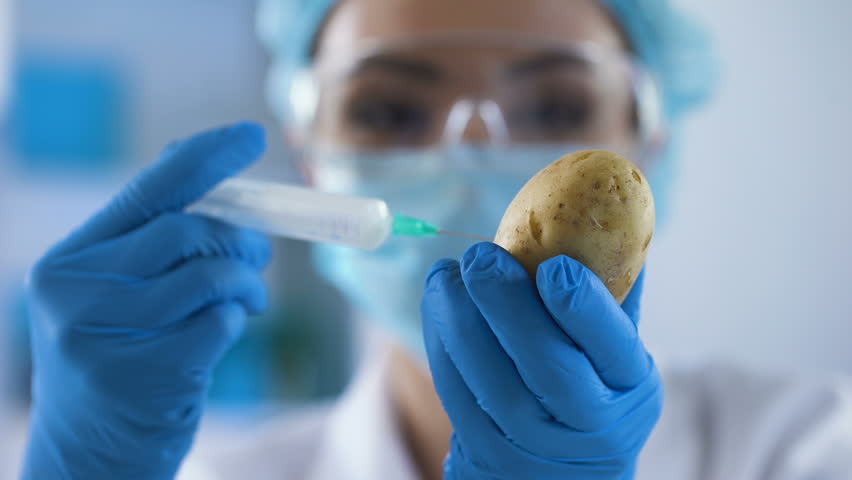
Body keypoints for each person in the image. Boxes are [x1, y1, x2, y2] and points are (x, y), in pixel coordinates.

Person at [20, 0, 852, 479]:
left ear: (652, 143)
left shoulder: (805, 446)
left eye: (556, 110)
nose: (471, 155)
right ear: (310, 160)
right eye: (387, 111)